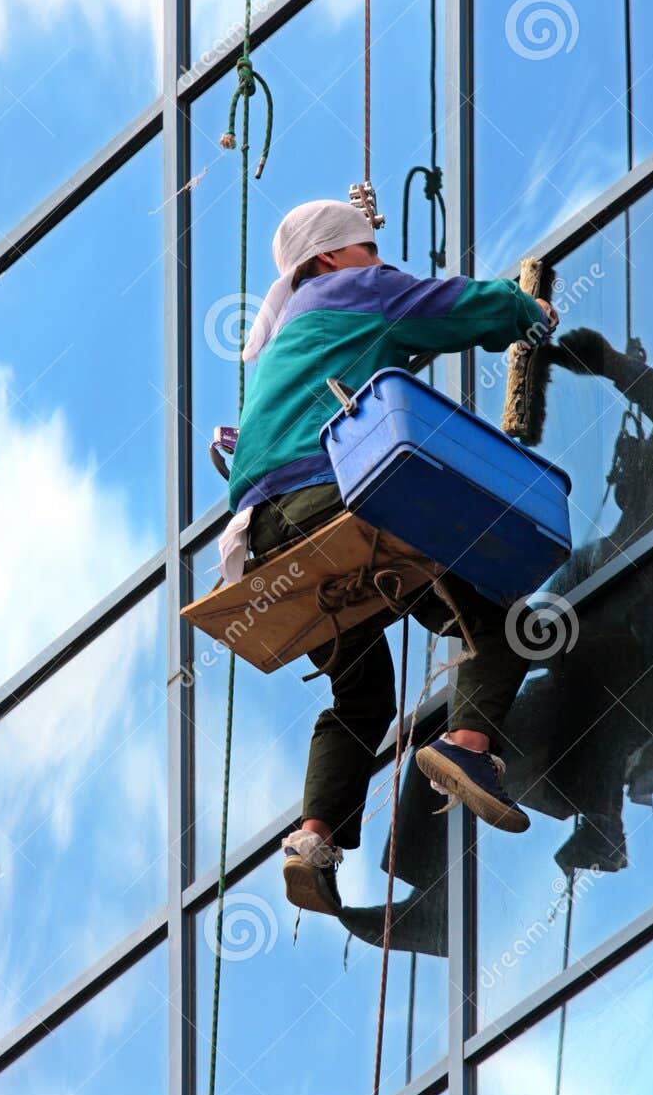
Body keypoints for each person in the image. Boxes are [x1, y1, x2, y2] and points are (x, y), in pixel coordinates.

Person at [219, 199, 558, 917]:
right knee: (499, 617)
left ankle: (313, 840)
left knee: (361, 696)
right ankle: (466, 746)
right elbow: (461, 306)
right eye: (369, 249)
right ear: (331, 258)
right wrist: (526, 311)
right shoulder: (355, 290)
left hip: (267, 540)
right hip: (329, 501)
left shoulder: (286, 344)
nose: (381, 261)